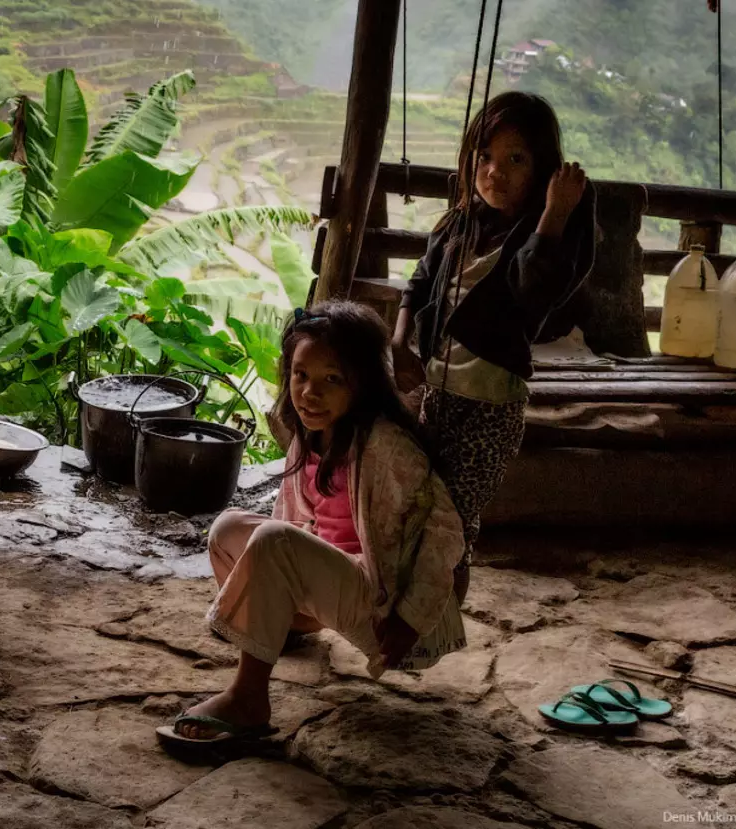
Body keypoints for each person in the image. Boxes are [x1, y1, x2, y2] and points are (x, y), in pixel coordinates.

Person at [157, 301, 466, 749]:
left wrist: (410, 620)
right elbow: (292, 520)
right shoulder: (311, 433)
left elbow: (446, 533)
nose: (309, 393)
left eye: (331, 379)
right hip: (335, 586)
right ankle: (275, 629)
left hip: (384, 608)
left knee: (271, 539)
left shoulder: (388, 448)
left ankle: (248, 700)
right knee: (227, 530)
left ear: (364, 384)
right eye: (300, 375)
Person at [391, 91, 597, 601]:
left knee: (454, 524)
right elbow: (419, 281)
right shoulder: (459, 224)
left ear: (542, 170)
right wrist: (399, 341)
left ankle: (439, 625)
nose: (494, 173)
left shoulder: (543, 237)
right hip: (437, 394)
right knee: (419, 507)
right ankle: (415, 622)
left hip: (490, 407)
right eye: (484, 157)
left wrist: (554, 213)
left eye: (515, 160)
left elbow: (532, 293)